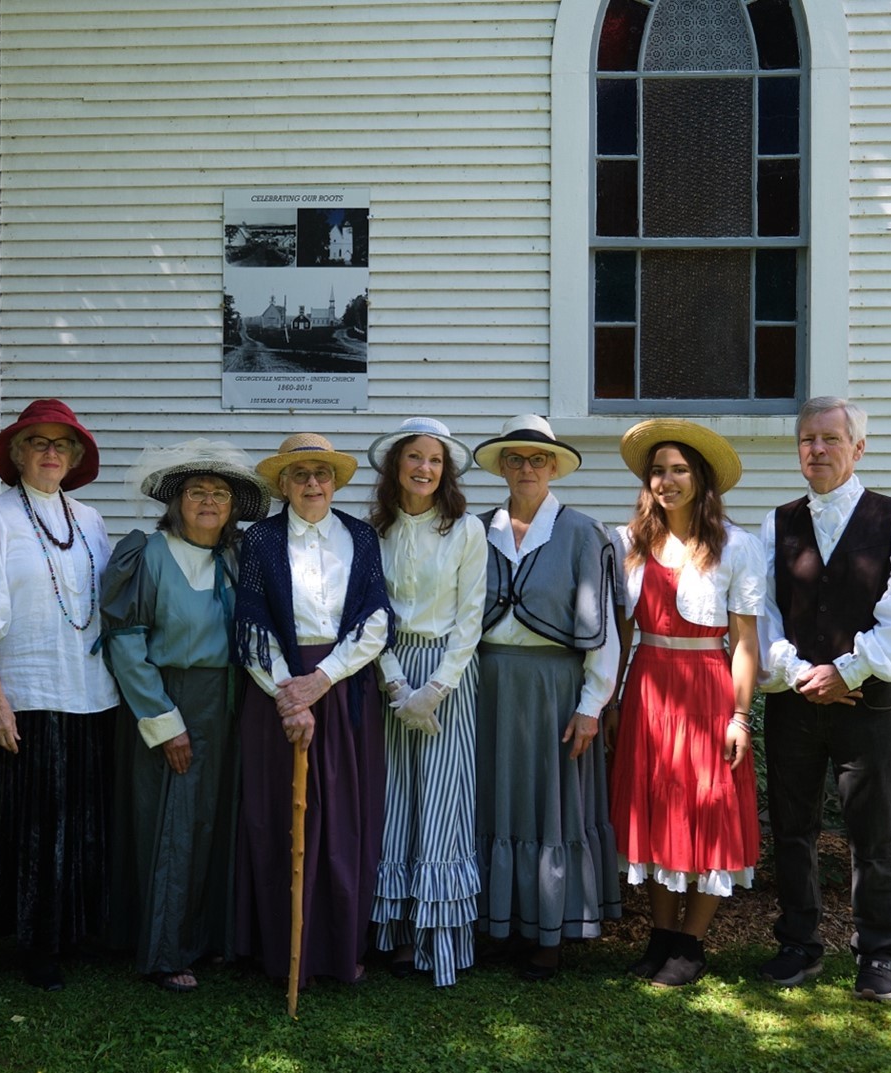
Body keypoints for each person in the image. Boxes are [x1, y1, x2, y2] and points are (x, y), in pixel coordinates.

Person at [757, 397, 891, 1001]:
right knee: (792, 828)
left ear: (858, 448)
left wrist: (847, 672)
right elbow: (763, 615)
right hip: (793, 701)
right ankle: (798, 944)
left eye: (830, 439)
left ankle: (879, 953)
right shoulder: (776, 524)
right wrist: (799, 672)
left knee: (874, 832)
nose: (817, 449)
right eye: (807, 439)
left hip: (867, 704)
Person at [102, 440, 272, 993]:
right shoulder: (146, 553)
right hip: (166, 698)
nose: (208, 501)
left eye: (219, 493)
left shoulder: (238, 558)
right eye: (196, 492)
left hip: (227, 701)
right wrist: (164, 721)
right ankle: (164, 950)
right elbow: (125, 642)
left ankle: (208, 936)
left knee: (214, 819)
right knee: (171, 821)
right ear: (176, 502)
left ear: (232, 507)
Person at [0, 398, 119, 992]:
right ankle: (37, 940)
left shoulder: (91, 520)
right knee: (36, 822)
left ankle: (75, 927)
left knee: (83, 818)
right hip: (27, 691)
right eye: (37, 442)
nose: (50, 452)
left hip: (92, 692)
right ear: (18, 454)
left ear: (75, 457)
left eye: (61, 444)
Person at [605, 419, 764, 987]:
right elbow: (622, 635)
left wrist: (740, 716)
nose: (666, 481)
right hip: (648, 687)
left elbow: (745, 642)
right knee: (654, 806)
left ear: (700, 478)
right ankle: (661, 936)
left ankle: (691, 944)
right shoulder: (629, 544)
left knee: (706, 808)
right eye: (657, 471)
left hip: (706, 691)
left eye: (678, 470)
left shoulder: (737, 546)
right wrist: (612, 700)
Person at [232, 433, 395, 985]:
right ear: (282, 484)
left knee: (345, 818)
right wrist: (289, 694)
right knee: (279, 816)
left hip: (344, 690)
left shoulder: (360, 537)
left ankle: (339, 949)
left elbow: (375, 621)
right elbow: (251, 624)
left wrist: (322, 680)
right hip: (276, 692)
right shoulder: (260, 540)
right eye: (299, 475)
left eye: (321, 474)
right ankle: (282, 951)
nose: (311, 484)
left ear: (335, 482)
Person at [471, 414, 620, 980]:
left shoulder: (583, 533)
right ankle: (498, 921)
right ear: (501, 468)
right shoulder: (476, 530)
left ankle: (549, 931)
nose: (526, 469)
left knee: (549, 806)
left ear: (554, 468)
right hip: (487, 685)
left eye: (537, 460)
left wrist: (591, 706)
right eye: (515, 459)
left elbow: (603, 630)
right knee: (491, 800)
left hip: (554, 688)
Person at [366, 417, 487, 987]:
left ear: (447, 470)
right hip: (388, 669)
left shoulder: (465, 530)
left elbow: (471, 617)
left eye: (435, 460)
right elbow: (369, 612)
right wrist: (395, 685)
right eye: (415, 457)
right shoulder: (375, 531)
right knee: (395, 797)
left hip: (448, 673)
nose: (424, 468)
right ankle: (391, 932)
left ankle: (435, 938)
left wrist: (435, 689)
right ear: (397, 465)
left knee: (441, 801)